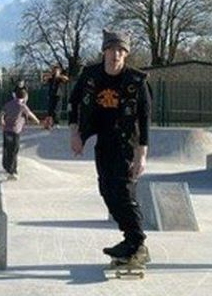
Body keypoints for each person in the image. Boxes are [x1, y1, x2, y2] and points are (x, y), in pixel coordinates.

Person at [68, 30, 152, 265]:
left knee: (124, 191)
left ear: (126, 54)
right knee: (106, 189)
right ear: (104, 51)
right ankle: (131, 239)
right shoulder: (90, 75)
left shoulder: (137, 81)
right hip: (103, 139)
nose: (116, 55)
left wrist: (141, 154)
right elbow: (73, 104)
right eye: (112, 50)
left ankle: (137, 243)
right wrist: (75, 134)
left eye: (121, 51)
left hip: (126, 142)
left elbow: (144, 120)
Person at [0, 87, 39, 179]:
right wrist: (37, 121)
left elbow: (2, 112)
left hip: (6, 131)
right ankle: (12, 171)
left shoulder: (9, 103)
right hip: (15, 132)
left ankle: (6, 166)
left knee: (7, 148)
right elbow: (29, 114)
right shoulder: (22, 105)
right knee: (14, 150)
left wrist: (1, 120)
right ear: (25, 96)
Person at [42, 64, 70, 130]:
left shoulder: (61, 78)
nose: (55, 71)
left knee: (57, 110)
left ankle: (57, 123)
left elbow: (66, 79)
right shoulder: (51, 78)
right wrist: (47, 77)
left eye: (57, 70)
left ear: (59, 71)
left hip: (58, 95)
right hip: (51, 95)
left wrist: (59, 76)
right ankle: (49, 123)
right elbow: (44, 81)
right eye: (54, 70)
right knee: (50, 109)